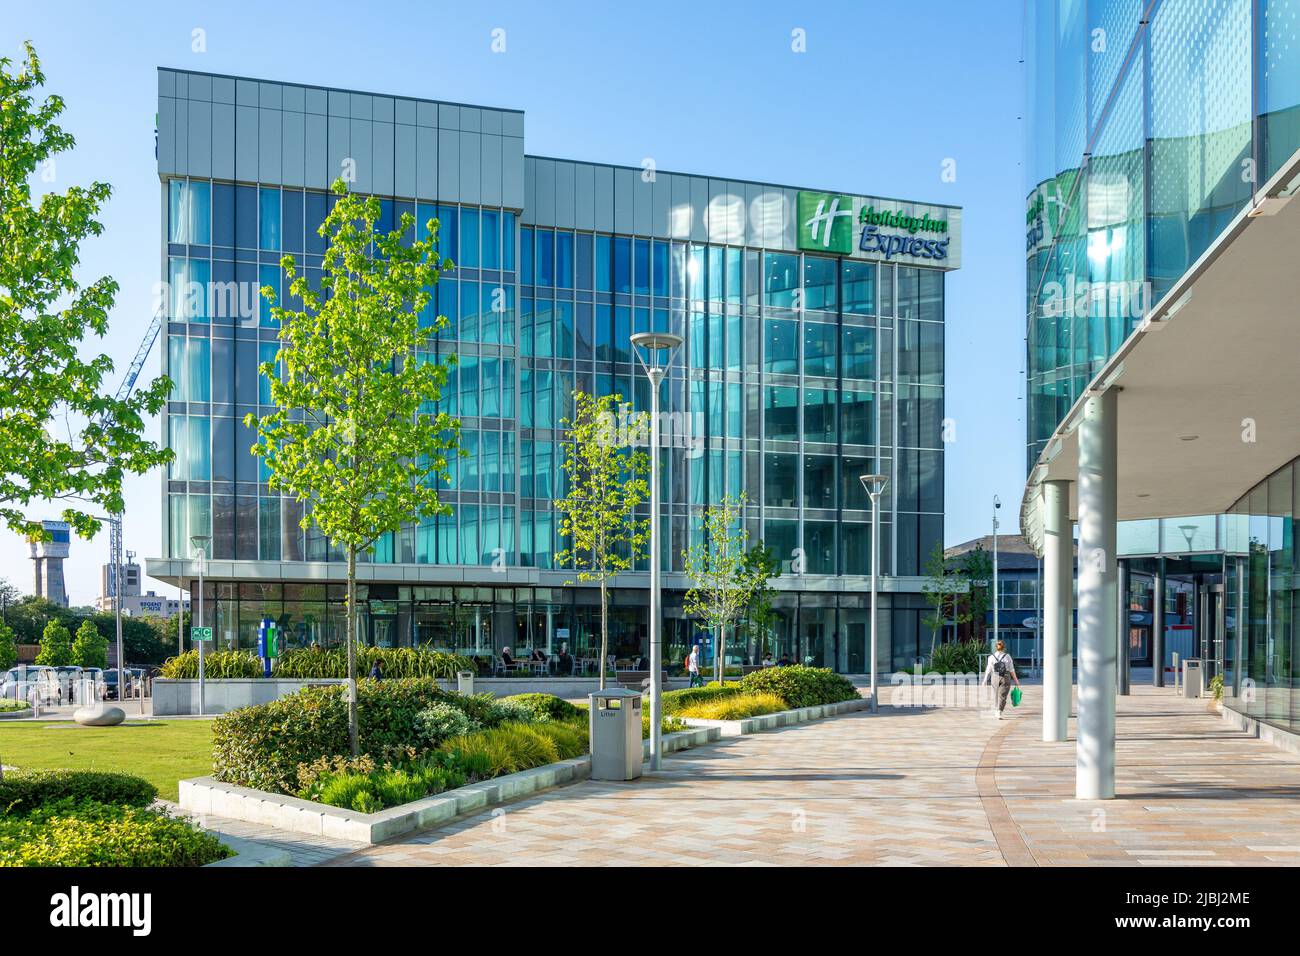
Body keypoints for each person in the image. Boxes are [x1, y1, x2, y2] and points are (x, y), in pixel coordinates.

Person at [982, 640, 1021, 719]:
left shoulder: (991, 657)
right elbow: (1011, 669)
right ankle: (999, 711)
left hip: (995, 677)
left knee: (995, 695)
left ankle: (996, 710)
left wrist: (985, 680)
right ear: (1004, 648)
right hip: (1005, 677)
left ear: (996, 647)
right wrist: (1016, 680)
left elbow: (988, 669)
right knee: (1003, 696)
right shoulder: (1007, 656)